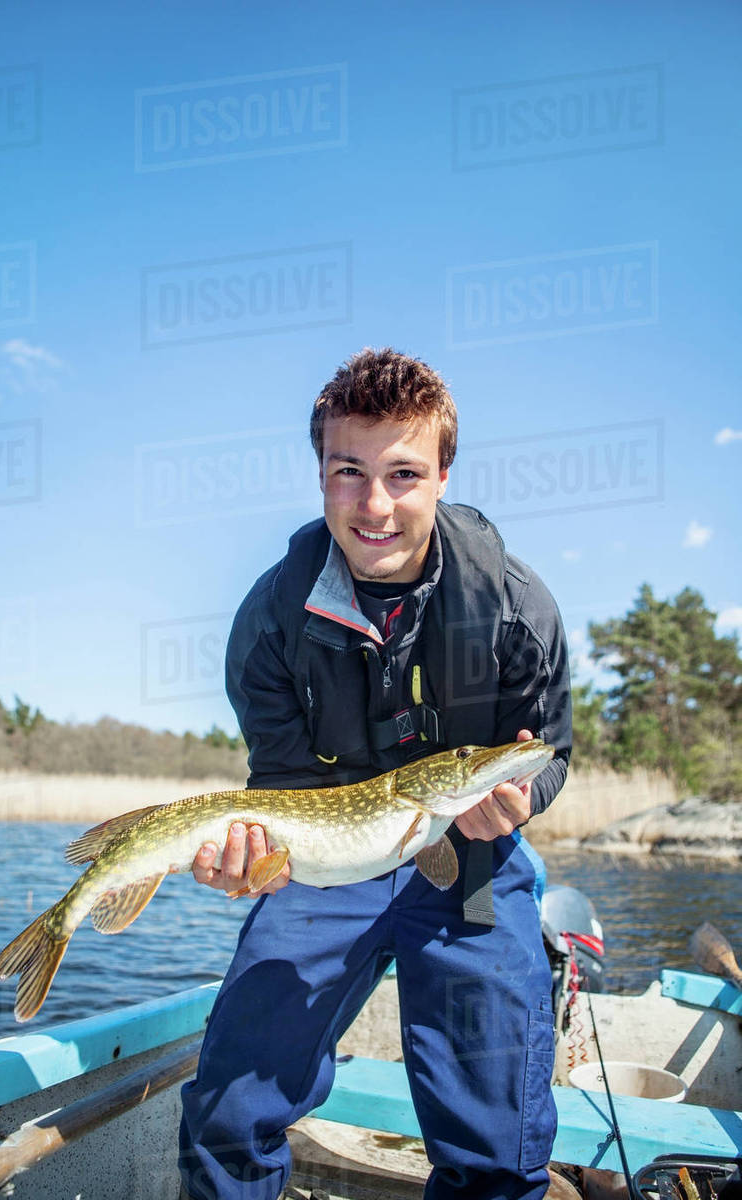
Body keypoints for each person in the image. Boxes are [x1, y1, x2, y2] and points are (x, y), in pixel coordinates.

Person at [179, 348, 571, 1200]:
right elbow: (281, 784)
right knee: (228, 1111)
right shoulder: (271, 621)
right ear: (321, 474)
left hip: (469, 861)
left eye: (404, 474)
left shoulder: (516, 609)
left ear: (443, 476)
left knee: (496, 1147)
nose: (375, 505)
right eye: (348, 472)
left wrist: (517, 800)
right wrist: (255, 862)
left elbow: (550, 753)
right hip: (328, 867)